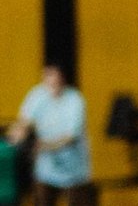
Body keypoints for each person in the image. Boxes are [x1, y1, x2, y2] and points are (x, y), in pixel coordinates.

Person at [5, 66, 90, 206]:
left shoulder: (75, 100)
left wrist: (44, 146)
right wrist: (12, 138)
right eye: (46, 76)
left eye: (53, 76)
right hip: (46, 170)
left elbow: (71, 137)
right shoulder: (37, 95)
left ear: (63, 77)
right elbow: (24, 122)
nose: (50, 81)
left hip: (74, 169)